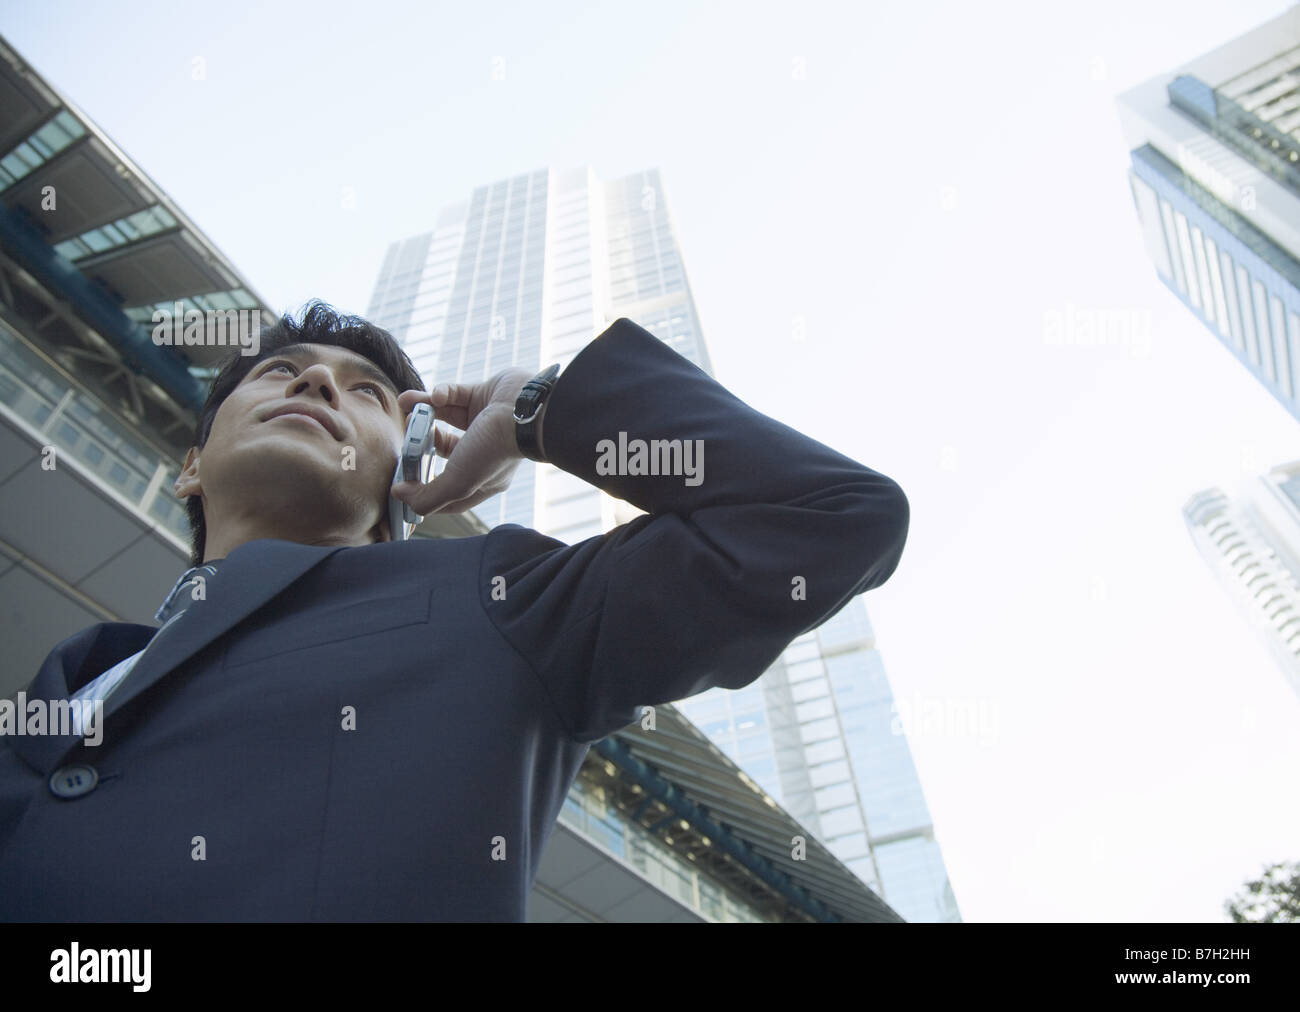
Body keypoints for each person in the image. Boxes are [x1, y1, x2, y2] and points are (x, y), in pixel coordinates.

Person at [0, 300, 910, 921]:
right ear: (191, 466)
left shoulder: (502, 603)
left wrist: (537, 412)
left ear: (403, 479)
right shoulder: (68, 685)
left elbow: (828, 518)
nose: (317, 386)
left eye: (365, 392)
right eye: (283, 372)